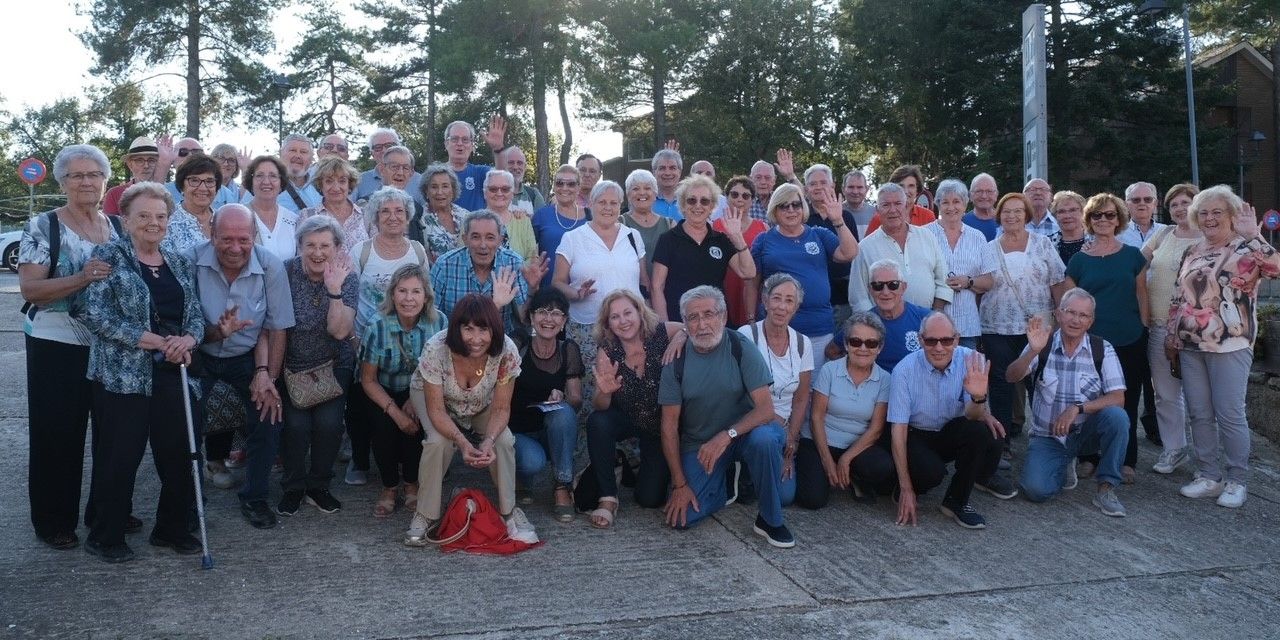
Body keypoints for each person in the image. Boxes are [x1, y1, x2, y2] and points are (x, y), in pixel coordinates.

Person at [81, 181, 205, 562]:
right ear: (126, 219)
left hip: (174, 372)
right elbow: (95, 316)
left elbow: (196, 315)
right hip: (123, 377)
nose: (154, 222)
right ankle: (106, 535)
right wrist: (152, 340)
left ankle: (171, 529)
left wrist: (187, 340)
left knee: (180, 455)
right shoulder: (108, 256)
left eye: (161, 216)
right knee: (120, 458)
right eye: (145, 215)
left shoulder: (180, 261)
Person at [19, 144, 122, 550]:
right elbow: (31, 289)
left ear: (104, 181)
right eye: (76, 175)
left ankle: (106, 510)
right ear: (62, 182)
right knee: (57, 435)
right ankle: (53, 520)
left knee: (111, 434)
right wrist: (83, 277)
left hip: (108, 344)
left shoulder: (114, 225)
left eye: (93, 174)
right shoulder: (44, 226)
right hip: (55, 343)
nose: (86, 182)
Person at [1167, 185, 1280, 508]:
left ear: (1231, 215)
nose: (1209, 218)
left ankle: (1236, 479)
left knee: (1230, 414)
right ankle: (1208, 475)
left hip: (1231, 343)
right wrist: (1173, 335)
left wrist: (1254, 237)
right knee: (1199, 414)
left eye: (1217, 212)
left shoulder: (1246, 249)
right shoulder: (1193, 250)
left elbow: (1276, 269)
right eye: (1203, 212)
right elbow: (1179, 295)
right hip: (1191, 344)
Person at [659, 286, 795, 548]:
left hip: (746, 435)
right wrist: (679, 484)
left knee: (767, 443)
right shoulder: (676, 360)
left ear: (723, 317)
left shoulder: (739, 346)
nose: (702, 324)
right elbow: (668, 427)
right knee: (682, 518)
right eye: (693, 318)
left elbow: (766, 410)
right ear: (684, 324)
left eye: (709, 314)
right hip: (700, 444)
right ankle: (728, 482)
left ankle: (770, 520)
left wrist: (727, 435)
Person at [403, 293, 537, 545]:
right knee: (437, 442)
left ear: (494, 329)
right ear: (457, 328)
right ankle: (426, 513)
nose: (476, 339)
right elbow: (437, 411)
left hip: (481, 400)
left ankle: (509, 510)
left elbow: (500, 408)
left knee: (504, 440)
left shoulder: (506, 351)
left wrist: (486, 441)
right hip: (435, 398)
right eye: (468, 329)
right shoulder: (436, 348)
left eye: (484, 329)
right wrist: (463, 443)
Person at [191, 204, 294, 529]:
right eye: (226, 239)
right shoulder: (188, 260)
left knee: (268, 413)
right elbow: (181, 325)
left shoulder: (270, 265)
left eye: (243, 240)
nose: (235, 248)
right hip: (199, 351)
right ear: (211, 235)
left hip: (250, 355)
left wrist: (269, 378)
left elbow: (278, 327)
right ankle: (190, 497)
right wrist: (216, 332)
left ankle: (255, 496)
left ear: (255, 237)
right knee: (183, 420)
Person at [887, 312, 1013, 530]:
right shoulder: (904, 371)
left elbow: (974, 415)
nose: (938, 348)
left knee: (984, 432)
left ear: (956, 339)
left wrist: (978, 398)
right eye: (930, 341)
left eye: (946, 340)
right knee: (931, 474)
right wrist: (906, 486)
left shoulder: (972, 360)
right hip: (917, 433)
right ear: (920, 340)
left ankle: (957, 501)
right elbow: (898, 431)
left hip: (949, 428)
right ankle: (906, 486)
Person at [1011, 291, 1129, 515]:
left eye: (1083, 315)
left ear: (1091, 321)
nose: (1076, 320)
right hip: (1049, 436)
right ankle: (1063, 464)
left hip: (1086, 433)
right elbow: (1011, 376)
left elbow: (1118, 398)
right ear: (1058, 314)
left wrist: (1077, 408)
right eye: (1070, 312)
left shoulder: (1102, 349)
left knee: (1117, 417)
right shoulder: (1042, 344)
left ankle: (1106, 488)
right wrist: (1031, 352)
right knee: (1036, 491)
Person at [345, 187, 430, 485]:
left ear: (408, 217)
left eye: (399, 212)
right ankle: (359, 460)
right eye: (385, 211)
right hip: (367, 339)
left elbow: (425, 294)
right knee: (362, 403)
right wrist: (355, 339)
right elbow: (350, 296)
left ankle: (407, 472)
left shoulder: (416, 251)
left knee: (407, 400)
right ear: (375, 217)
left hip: (409, 340)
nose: (393, 217)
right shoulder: (361, 251)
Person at [1062, 193, 1149, 483]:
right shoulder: (1077, 261)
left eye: (1109, 215)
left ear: (1119, 220)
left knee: (1128, 399)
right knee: (1090, 398)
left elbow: (1141, 294)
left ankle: (1127, 459)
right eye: (1097, 216)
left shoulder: (1133, 256)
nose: (1103, 220)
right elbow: (1070, 301)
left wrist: (1145, 327)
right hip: (1091, 343)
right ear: (1089, 220)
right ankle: (1089, 456)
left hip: (1128, 337)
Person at [277, 215, 358, 517]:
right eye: (310, 245)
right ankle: (293, 487)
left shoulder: (347, 277)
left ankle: (319, 486)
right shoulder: (284, 272)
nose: (317, 252)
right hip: (294, 364)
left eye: (325, 245)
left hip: (334, 363)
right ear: (299, 246)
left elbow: (339, 331)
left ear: (337, 248)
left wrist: (334, 290)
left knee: (328, 424)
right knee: (296, 426)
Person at [973, 193, 1067, 453]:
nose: (1012, 216)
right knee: (1000, 384)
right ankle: (1001, 443)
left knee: (1038, 382)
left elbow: (1057, 281)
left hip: (1037, 327)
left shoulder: (1043, 244)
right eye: (1006, 211)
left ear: (1026, 215)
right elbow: (980, 288)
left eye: (1017, 211)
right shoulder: (988, 248)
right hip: (996, 326)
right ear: (998, 215)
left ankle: (1044, 439)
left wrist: (1060, 317)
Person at [586, 289, 687, 527]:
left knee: (649, 499)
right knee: (597, 421)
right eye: (615, 317)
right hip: (627, 417)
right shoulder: (608, 351)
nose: (623, 321)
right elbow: (599, 406)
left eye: (627, 313)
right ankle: (608, 497)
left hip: (660, 426)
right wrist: (605, 392)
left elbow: (688, 327)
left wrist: (681, 337)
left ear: (640, 313)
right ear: (608, 324)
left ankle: (631, 467)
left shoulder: (661, 333)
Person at [358, 264, 445, 518]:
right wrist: (396, 411)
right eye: (402, 291)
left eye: (416, 292)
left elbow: (442, 369)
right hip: (381, 388)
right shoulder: (377, 326)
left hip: (423, 386)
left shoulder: (439, 322)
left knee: (417, 424)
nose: (409, 299)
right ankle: (389, 486)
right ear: (392, 294)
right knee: (386, 428)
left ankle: (411, 483)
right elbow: (368, 380)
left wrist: (413, 398)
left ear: (426, 295)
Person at [795, 311, 895, 509]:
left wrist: (846, 459)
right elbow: (816, 418)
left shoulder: (885, 379)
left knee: (883, 468)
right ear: (847, 345)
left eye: (871, 343)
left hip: (856, 446)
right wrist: (827, 461)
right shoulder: (830, 370)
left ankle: (855, 475)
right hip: (820, 441)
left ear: (880, 348)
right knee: (812, 500)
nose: (863, 348)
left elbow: (876, 429)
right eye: (856, 341)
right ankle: (827, 471)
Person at [752, 183, 858, 361]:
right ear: (774, 210)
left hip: (818, 329)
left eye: (796, 204)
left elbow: (850, 253)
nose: (791, 210)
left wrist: (838, 221)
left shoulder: (818, 234)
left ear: (803, 207)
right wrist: (750, 320)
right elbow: (752, 284)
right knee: (779, 386)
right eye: (784, 205)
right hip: (777, 329)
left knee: (816, 386)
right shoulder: (764, 240)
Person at [553, 180, 648, 374]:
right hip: (587, 328)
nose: (608, 207)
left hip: (630, 328)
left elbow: (643, 282)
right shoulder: (572, 238)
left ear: (620, 205)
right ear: (590, 204)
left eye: (614, 203)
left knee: (629, 386)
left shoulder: (633, 236)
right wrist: (575, 293)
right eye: (602, 202)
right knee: (591, 388)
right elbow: (557, 282)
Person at [1141, 183, 1200, 474]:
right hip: (1160, 326)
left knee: (1200, 396)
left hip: (1195, 331)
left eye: (1185, 202)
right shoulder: (1162, 234)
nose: (1180, 208)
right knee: (1165, 394)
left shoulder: (1208, 238)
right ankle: (1174, 449)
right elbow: (1136, 264)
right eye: (1174, 204)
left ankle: (1206, 458)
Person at [510, 288, 583, 522]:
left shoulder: (568, 349)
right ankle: (521, 475)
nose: (548, 319)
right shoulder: (519, 343)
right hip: (517, 430)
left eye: (556, 314)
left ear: (564, 321)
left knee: (563, 413)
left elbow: (576, 401)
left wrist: (562, 395)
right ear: (531, 317)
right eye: (542, 312)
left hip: (549, 431)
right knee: (532, 462)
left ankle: (562, 485)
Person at [738, 273, 813, 499]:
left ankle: (763, 471)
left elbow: (801, 398)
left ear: (796, 307)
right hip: (751, 422)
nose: (781, 306)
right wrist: (773, 419)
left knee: (785, 498)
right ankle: (745, 468)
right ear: (765, 301)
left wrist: (792, 437)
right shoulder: (747, 335)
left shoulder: (802, 343)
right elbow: (737, 393)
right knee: (765, 437)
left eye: (789, 300)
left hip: (784, 429)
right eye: (776, 298)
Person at [652, 175, 755, 322]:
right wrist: (666, 329)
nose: (698, 205)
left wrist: (737, 237)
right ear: (682, 204)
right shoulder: (668, 239)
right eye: (692, 200)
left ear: (712, 206)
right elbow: (657, 287)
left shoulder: (721, 240)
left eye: (704, 201)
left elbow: (748, 272)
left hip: (718, 325)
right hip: (681, 325)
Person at [431, 210, 546, 335]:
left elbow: (523, 318)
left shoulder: (513, 263)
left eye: (490, 238)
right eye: (475, 237)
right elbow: (431, 316)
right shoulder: (445, 265)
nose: (483, 245)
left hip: (500, 343)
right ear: (465, 239)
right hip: (454, 341)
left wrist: (532, 289)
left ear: (500, 240)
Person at [848, 182, 949, 313]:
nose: (892, 210)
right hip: (884, 326)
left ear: (906, 206)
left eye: (897, 204)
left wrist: (935, 316)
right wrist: (875, 326)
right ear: (877, 210)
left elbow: (943, 281)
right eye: (886, 205)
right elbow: (859, 298)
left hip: (927, 323)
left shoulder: (927, 237)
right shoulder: (864, 248)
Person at [924, 179, 986, 348]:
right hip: (931, 322)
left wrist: (969, 282)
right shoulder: (924, 234)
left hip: (967, 325)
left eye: (956, 201)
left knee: (966, 372)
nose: (951, 207)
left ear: (965, 204)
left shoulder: (977, 237)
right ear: (938, 205)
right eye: (945, 202)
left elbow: (989, 280)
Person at [804, 165, 860, 331]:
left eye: (823, 182)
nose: (818, 187)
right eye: (813, 184)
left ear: (832, 185)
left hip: (842, 298)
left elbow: (853, 255)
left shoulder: (846, 217)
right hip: (810, 298)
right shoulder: (801, 217)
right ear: (806, 189)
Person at [713, 176, 769, 328]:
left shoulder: (763, 228)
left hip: (753, 291)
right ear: (727, 197)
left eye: (746, 195)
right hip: (724, 288)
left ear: (752, 200)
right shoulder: (714, 227)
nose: (740, 199)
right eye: (734, 194)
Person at [862, 259, 931, 371]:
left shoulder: (926, 319)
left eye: (893, 285)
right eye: (878, 286)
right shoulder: (862, 323)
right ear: (870, 290)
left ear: (903, 287)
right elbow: (833, 351)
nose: (885, 292)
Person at [532, 164, 590, 289]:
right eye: (559, 183)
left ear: (579, 187)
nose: (565, 188)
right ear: (554, 186)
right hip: (549, 293)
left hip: (584, 291)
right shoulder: (542, 215)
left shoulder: (590, 217)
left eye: (571, 184)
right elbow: (527, 250)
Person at [298, 157, 368, 250]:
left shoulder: (366, 215)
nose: (336, 187)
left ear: (350, 184)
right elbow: (302, 254)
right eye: (329, 181)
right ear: (320, 185)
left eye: (342, 181)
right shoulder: (307, 216)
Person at [622, 169, 674, 286]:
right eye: (635, 188)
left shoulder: (669, 224)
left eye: (647, 188)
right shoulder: (619, 223)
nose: (641, 193)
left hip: (664, 289)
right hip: (631, 291)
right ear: (628, 195)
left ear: (655, 194)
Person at [442, 117, 507, 211]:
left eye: (465, 140)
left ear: (472, 145)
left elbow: (502, 176)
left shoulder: (481, 173)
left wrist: (498, 149)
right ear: (446, 144)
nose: (460, 143)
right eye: (455, 139)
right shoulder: (435, 175)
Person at [243, 155, 298, 260]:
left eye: (273, 176)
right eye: (259, 175)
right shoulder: (239, 216)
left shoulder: (293, 221)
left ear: (281, 182)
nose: (266, 182)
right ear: (251, 181)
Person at [163, 155, 222, 252]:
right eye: (194, 180)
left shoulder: (223, 220)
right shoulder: (167, 221)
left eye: (209, 181)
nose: (203, 188)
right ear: (182, 186)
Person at [480, 169, 538, 262]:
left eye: (505, 189)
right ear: (484, 193)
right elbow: (463, 257)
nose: (499, 193)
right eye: (493, 189)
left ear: (512, 194)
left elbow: (532, 257)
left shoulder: (523, 222)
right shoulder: (471, 221)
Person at [370, 146, 424, 243]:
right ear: (382, 169)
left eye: (405, 168)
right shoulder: (365, 206)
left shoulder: (417, 209)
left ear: (411, 173)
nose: (400, 172)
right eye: (394, 167)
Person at [355, 128, 422, 203]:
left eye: (389, 146)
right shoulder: (359, 181)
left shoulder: (420, 181)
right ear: (372, 154)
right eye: (378, 148)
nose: (384, 150)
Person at [418, 163, 468, 262]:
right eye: (434, 187)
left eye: (445, 186)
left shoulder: (466, 216)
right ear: (426, 191)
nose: (440, 192)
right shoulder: (419, 219)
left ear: (453, 190)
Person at [865, 165, 937, 233]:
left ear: (917, 190)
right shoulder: (880, 218)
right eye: (901, 186)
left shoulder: (928, 216)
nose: (906, 191)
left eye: (911, 186)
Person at [103, 136, 163, 215]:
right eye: (139, 160)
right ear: (130, 164)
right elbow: (111, 226)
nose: (146, 165)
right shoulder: (115, 194)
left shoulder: (166, 192)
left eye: (151, 160)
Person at [278, 133, 323, 212]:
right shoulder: (266, 185)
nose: (298, 155)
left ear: (311, 158)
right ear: (281, 154)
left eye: (303, 152)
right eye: (292, 150)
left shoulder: (320, 189)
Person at [501, 146, 545, 216]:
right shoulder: (493, 193)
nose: (515, 167)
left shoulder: (534, 195)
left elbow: (543, 223)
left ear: (525, 167)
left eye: (519, 163)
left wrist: (528, 219)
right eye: (511, 162)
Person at [1121, 181, 1167, 248]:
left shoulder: (1166, 231)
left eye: (1148, 199)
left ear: (1155, 204)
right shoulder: (1117, 233)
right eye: (1136, 200)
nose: (1142, 203)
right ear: (1126, 204)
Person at [1052, 190, 1088, 265]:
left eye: (1073, 210)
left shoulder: (1096, 241)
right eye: (1061, 211)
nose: (1067, 216)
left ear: (1083, 212)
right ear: (1055, 216)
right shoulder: (1048, 244)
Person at [962, 173, 1000, 240]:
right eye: (979, 191)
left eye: (989, 191)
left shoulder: (1006, 221)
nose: (984, 196)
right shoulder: (962, 223)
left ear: (996, 194)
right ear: (970, 195)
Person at [1022, 178, 1060, 243]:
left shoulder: (1060, 222)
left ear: (1051, 197)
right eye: (1032, 189)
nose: (1038, 193)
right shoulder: (1012, 222)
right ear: (1023, 197)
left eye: (1043, 190)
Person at [842, 170, 876, 239]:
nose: (855, 191)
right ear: (843, 189)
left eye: (859, 187)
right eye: (851, 187)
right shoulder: (835, 213)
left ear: (866, 189)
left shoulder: (875, 213)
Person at [651, 147, 683, 219]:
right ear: (654, 172)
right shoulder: (645, 200)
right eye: (662, 168)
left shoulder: (690, 200)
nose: (667, 173)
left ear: (679, 172)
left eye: (672, 168)